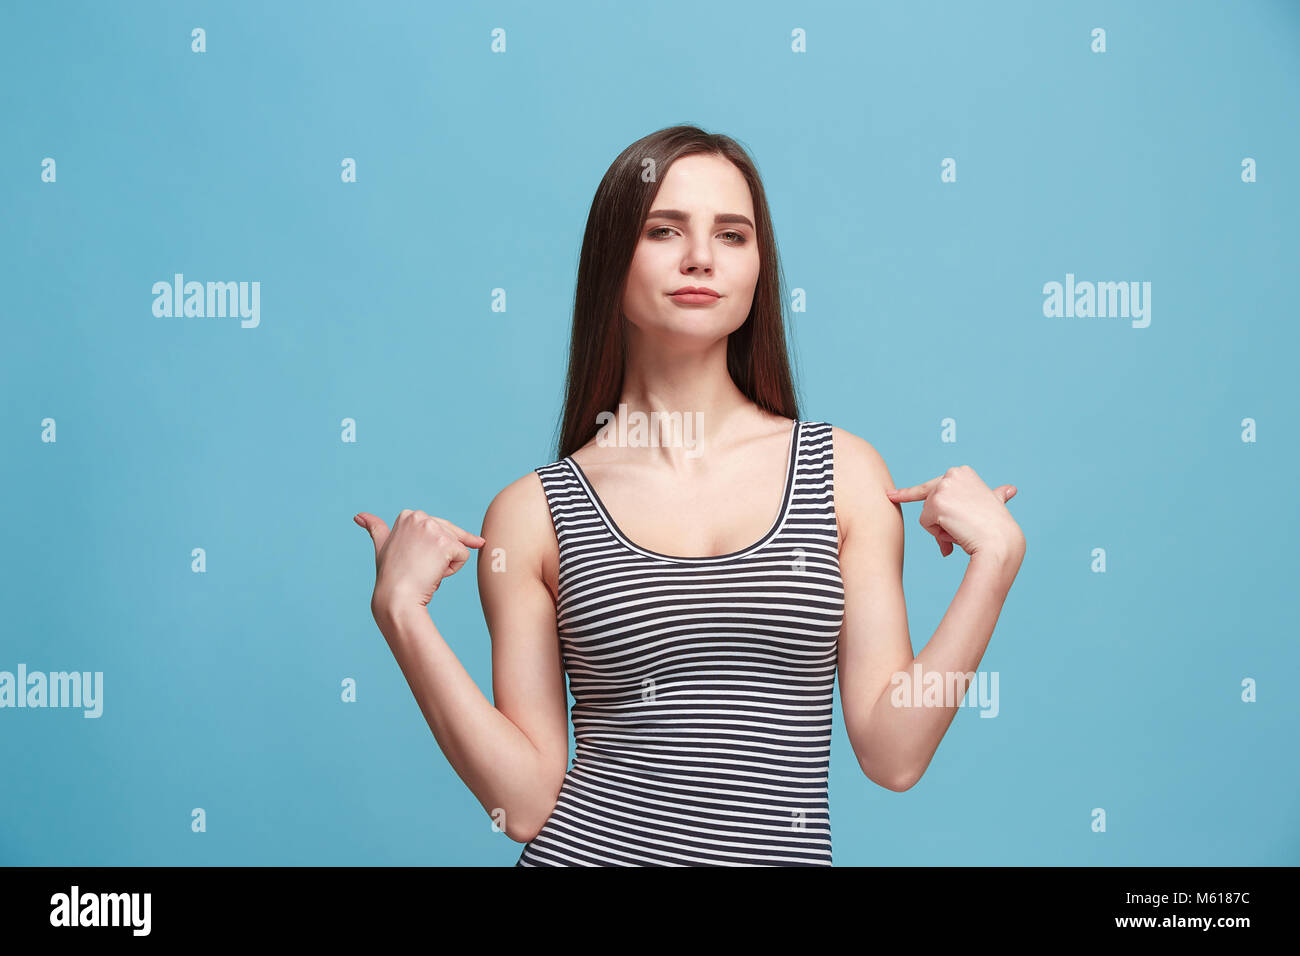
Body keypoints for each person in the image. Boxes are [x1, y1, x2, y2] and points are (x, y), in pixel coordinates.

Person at [354, 125, 1026, 866]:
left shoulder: (842, 473)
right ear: (613, 258)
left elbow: (893, 754)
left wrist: (993, 561)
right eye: (663, 230)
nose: (701, 257)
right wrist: (401, 614)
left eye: (733, 235)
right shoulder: (532, 515)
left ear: (759, 269)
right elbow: (523, 806)